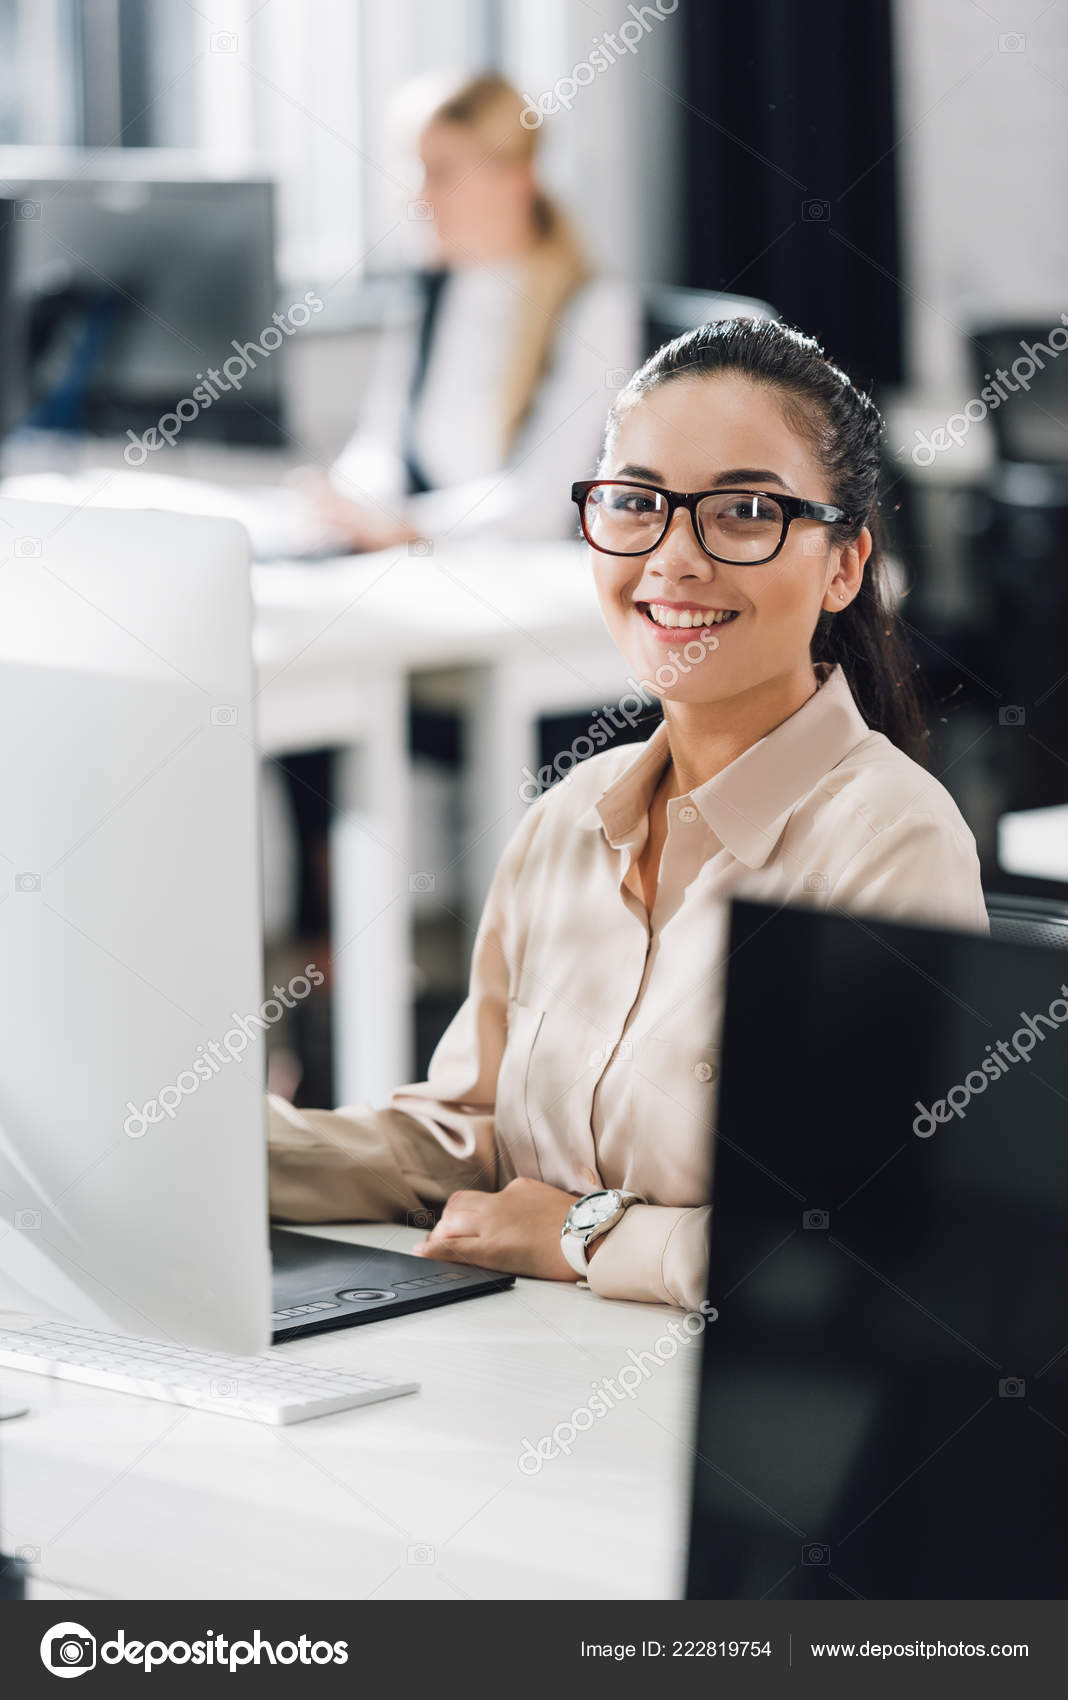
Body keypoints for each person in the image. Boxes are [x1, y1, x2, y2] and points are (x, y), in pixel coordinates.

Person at [266, 317, 989, 1313]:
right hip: (515, 1375)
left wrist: (580, 1233)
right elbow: (466, 1141)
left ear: (844, 564)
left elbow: (868, 1248)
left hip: (729, 1427)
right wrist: (209, 1146)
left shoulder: (890, 840)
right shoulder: (569, 817)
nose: (674, 557)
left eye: (743, 510)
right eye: (636, 502)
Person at [305, 70, 640, 551]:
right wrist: (348, 503)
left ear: (516, 179)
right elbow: (382, 440)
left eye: (440, 172)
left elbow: (545, 503)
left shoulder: (595, 309)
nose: (419, 197)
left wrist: (407, 526)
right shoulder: (432, 292)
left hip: (513, 569)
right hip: (425, 552)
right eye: (416, 170)